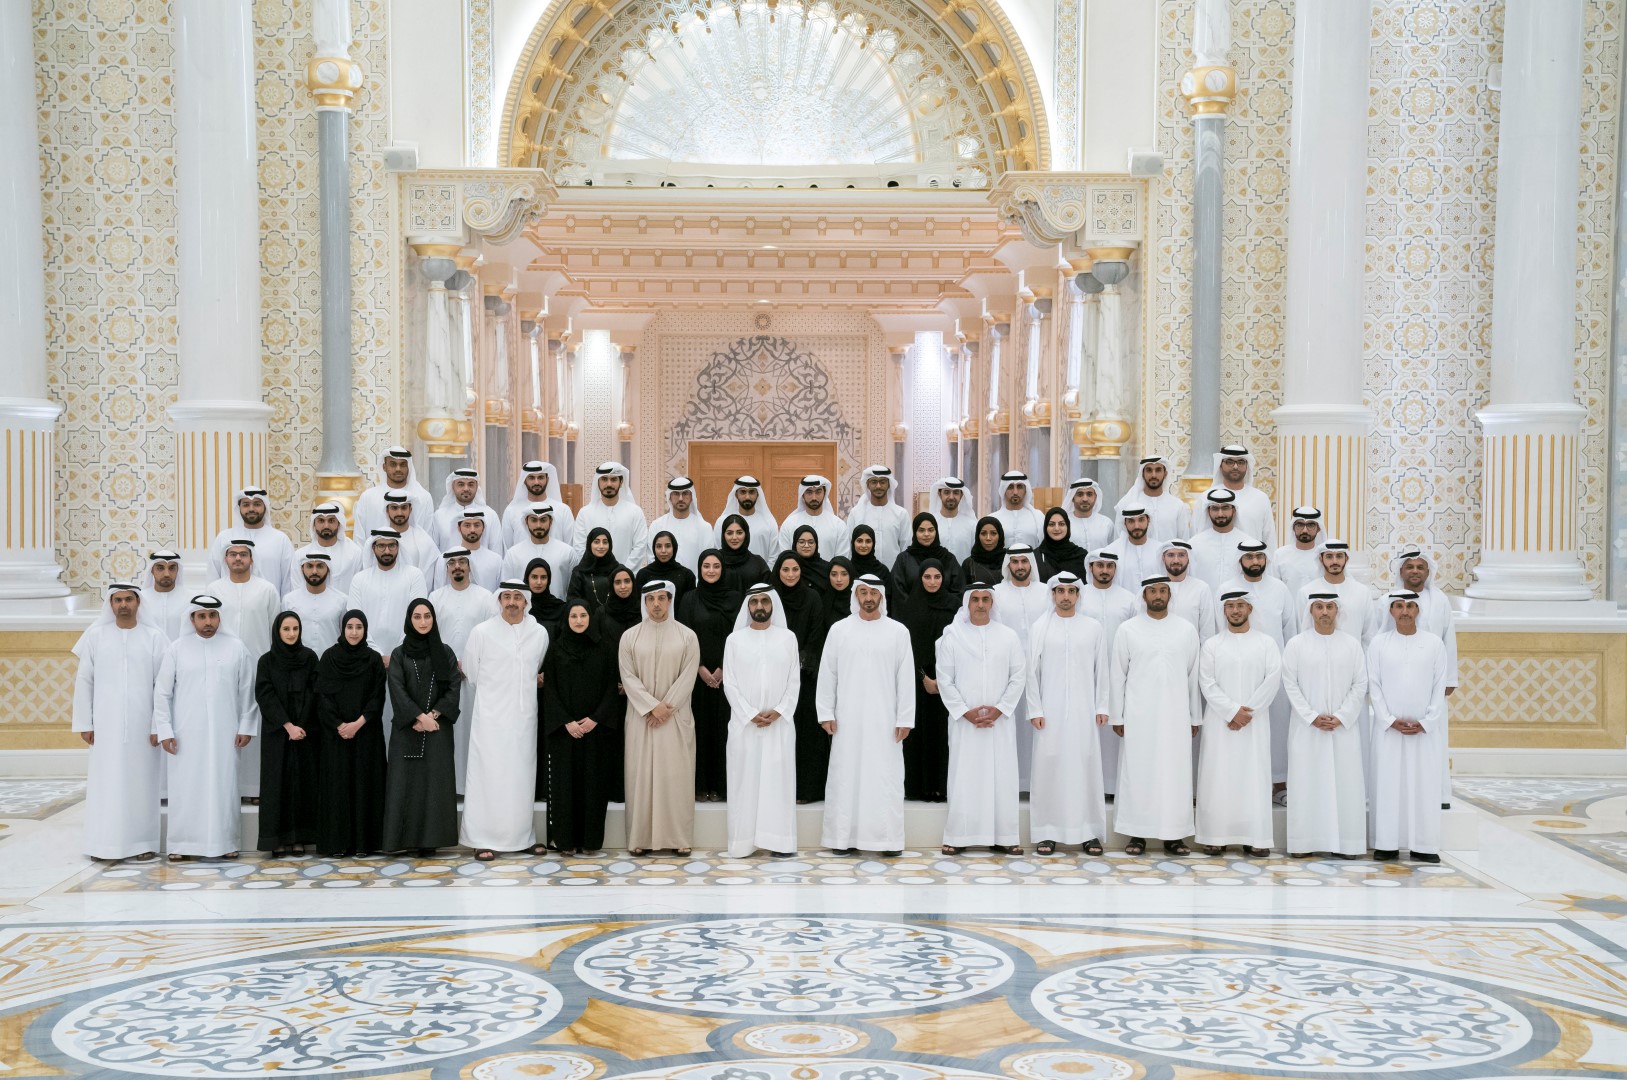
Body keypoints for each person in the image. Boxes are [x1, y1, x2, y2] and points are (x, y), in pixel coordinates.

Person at [153, 596, 259, 860]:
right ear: (192, 619)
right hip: (185, 735)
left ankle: (226, 843)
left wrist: (246, 725)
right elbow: (162, 693)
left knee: (223, 786)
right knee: (186, 787)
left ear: (220, 618)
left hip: (226, 733)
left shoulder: (236, 647)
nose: (208, 621)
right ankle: (181, 844)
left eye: (212, 616)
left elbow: (247, 690)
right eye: (201, 616)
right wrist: (165, 730)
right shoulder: (176, 649)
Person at [817, 575, 915, 856]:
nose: (868, 597)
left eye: (873, 592)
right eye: (863, 592)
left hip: (886, 721)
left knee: (886, 777)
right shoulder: (839, 630)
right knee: (846, 776)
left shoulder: (898, 632)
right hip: (847, 719)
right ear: (856, 596)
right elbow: (828, 674)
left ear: (882, 596)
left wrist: (905, 718)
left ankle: (887, 841)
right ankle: (841, 838)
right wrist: (825, 712)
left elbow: (906, 679)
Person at [73, 582, 169, 861]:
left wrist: (157, 726)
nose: (123, 605)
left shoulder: (154, 637)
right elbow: (84, 680)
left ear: (138, 603)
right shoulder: (95, 636)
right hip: (105, 726)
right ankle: (103, 845)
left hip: (144, 728)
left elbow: (162, 686)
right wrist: (85, 723)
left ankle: (142, 844)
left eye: (129, 599)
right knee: (107, 783)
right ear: (110, 604)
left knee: (142, 785)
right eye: (118, 600)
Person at [1110, 577, 1202, 857]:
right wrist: (1118, 715)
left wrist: (1194, 717)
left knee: (1175, 775)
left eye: (1163, 591)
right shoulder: (1128, 630)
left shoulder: (1186, 629)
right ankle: (1137, 834)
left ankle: (1174, 836)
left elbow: (1193, 675)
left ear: (1169, 595)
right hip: (1139, 715)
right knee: (1138, 772)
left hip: (1176, 716)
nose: (1158, 595)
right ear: (1144, 595)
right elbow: (1118, 674)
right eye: (1153, 591)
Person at [460, 581, 551, 860]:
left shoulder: (539, 633)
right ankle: (481, 838)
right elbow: (472, 674)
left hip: (523, 719)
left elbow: (536, 668)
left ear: (526, 601)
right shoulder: (482, 632)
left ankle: (520, 838)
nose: (512, 602)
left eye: (517, 597)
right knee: (488, 776)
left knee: (520, 778)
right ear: (500, 600)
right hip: (489, 718)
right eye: (507, 597)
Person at [936, 583, 1026, 856]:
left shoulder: (1008, 636)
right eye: (975, 599)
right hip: (965, 723)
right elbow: (945, 679)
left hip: (999, 722)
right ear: (967, 603)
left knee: (1002, 777)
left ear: (992, 603)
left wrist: (1000, 709)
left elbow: (1018, 676)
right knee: (964, 777)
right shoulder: (952, 637)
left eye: (986, 599)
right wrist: (965, 712)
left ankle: (1005, 836)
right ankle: (958, 836)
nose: (980, 604)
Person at [1026, 572, 1111, 856]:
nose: (1065, 596)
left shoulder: (1093, 627)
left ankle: (1088, 832)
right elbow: (1031, 674)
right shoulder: (1039, 627)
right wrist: (1035, 709)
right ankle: (1047, 832)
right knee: (1048, 768)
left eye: (1071, 591)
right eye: (1060, 591)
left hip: (1084, 712)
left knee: (1085, 767)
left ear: (1078, 595)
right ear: (1052, 595)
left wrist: (1101, 706)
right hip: (1048, 713)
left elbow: (1103, 670)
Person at [1194, 591, 1283, 857]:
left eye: (1240, 606)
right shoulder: (1212, 645)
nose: (1235, 610)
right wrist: (1232, 711)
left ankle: (1255, 837)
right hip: (1220, 723)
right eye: (1230, 606)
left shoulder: (1266, 643)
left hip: (1254, 723)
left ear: (1249, 609)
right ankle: (1215, 836)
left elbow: (1272, 679)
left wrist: (1247, 713)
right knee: (1218, 776)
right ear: (1224, 611)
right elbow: (1206, 682)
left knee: (1253, 777)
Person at [1281, 593, 1369, 859]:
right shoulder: (1296, 644)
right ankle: (1303, 843)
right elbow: (1290, 684)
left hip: (1343, 729)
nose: (1324, 612)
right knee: (1307, 783)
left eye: (1330, 607)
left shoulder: (1351, 645)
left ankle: (1347, 844)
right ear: (1311, 611)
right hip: (1307, 729)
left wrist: (1342, 716)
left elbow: (1360, 683)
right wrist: (1311, 716)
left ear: (1337, 611)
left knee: (1345, 784)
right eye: (1319, 607)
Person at [619, 580, 703, 855]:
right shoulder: (629, 637)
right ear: (644, 603)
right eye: (651, 599)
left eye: (662, 598)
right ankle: (639, 840)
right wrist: (651, 707)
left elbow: (689, 675)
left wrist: (665, 708)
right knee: (640, 778)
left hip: (674, 719)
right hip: (642, 720)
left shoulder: (687, 636)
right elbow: (628, 677)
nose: (656, 603)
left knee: (675, 778)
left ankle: (679, 839)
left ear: (670, 601)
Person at [1367, 591, 1449, 863]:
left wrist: (1427, 722)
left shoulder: (1434, 644)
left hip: (1423, 732)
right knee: (1387, 785)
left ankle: (1424, 845)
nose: (1404, 611)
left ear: (1418, 611)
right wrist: (1388, 719)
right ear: (1390, 612)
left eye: (1410, 606)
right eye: (1399, 606)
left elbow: (1439, 688)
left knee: (1423, 786)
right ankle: (1386, 844)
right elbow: (1373, 685)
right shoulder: (1378, 644)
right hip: (1388, 730)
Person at [722, 583, 802, 858]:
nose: (759, 606)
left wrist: (779, 710)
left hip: (779, 725)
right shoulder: (734, 640)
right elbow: (729, 683)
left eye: (764, 601)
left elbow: (794, 681)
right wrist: (748, 713)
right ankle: (743, 843)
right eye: (754, 601)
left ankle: (779, 841)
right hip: (745, 726)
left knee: (777, 783)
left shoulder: (788, 638)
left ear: (773, 605)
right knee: (744, 782)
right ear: (747, 606)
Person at [383, 599, 462, 856]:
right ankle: (402, 840)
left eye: (427, 616)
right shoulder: (399, 653)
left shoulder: (446, 652)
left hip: (438, 730)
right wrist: (418, 717)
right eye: (417, 617)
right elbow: (396, 688)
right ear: (409, 620)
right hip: (408, 729)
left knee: (434, 784)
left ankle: (430, 841)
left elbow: (453, 686)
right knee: (405, 784)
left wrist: (433, 715)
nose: (423, 621)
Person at [543, 601, 621, 855]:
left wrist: (595, 719)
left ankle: (590, 842)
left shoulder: (606, 648)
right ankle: (565, 841)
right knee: (565, 788)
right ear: (566, 619)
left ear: (591, 618)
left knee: (593, 786)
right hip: (565, 733)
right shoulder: (555, 650)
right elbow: (550, 690)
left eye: (583, 615)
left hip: (595, 731)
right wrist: (566, 722)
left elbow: (612, 688)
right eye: (574, 616)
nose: (578, 620)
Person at [1221, 541, 1298, 802]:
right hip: (1235, 668)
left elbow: (1290, 630)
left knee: (1277, 725)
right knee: (1239, 725)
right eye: (1249, 557)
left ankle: (1278, 784)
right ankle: (1240, 786)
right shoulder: (1226, 589)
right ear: (1240, 560)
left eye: (1259, 556)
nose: (1254, 562)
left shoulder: (1279, 589)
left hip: (1274, 671)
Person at [208, 537, 281, 800]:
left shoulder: (267, 590)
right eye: (232, 554)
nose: (238, 559)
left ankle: (256, 789)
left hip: (260, 668)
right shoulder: (214, 589)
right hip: (222, 669)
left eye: (243, 554)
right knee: (225, 724)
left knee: (258, 727)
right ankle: (226, 787)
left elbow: (276, 630)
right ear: (225, 559)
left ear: (251, 559)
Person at [313, 610, 387, 857]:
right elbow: (322, 698)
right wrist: (339, 725)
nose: (354, 632)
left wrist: (358, 723)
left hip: (366, 735)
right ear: (342, 629)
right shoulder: (329, 658)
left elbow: (378, 697)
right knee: (338, 788)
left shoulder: (373, 659)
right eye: (350, 627)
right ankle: (338, 843)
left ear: (365, 630)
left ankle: (364, 843)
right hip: (336, 737)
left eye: (359, 627)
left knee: (364, 786)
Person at [1393, 548, 1461, 804]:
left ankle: (1437, 793)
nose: (1415, 571)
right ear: (1401, 571)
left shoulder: (1440, 600)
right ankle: (1400, 793)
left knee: (1433, 735)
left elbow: (1448, 638)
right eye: (1410, 567)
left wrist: (1450, 679)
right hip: (1398, 679)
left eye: (1420, 567)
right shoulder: (1390, 600)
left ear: (1427, 572)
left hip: (1432, 682)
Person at [427, 549, 496, 793]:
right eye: (452, 562)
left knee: (473, 731)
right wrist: (448, 663)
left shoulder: (486, 597)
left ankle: (473, 787)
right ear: (446, 568)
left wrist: (470, 661)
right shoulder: (435, 597)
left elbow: (494, 635)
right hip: (442, 679)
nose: (457, 566)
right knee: (447, 732)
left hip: (476, 679)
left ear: (469, 566)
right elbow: (429, 635)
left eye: (462, 562)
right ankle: (447, 786)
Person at [255, 611, 321, 858]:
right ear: (277, 632)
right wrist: (287, 725)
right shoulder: (267, 661)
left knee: (303, 785)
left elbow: (315, 692)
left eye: (295, 629)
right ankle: (277, 839)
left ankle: (299, 839)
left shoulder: (310, 658)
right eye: (286, 629)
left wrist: (300, 725)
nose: (291, 634)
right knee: (277, 785)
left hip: (305, 733)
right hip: (277, 734)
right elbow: (265, 695)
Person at [677, 551, 740, 802]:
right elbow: (684, 636)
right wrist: (700, 668)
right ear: (699, 569)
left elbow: (740, 636)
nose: (711, 570)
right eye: (706, 566)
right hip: (697, 679)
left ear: (723, 569)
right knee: (700, 731)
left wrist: (725, 668)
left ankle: (723, 787)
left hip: (730, 678)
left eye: (716, 566)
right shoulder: (690, 599)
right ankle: (701, 785)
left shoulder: (736, 599)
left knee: (726, 731)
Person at [1077, 551, 1139, 802]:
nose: (1104, 570)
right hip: (1084, 674)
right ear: (1091, 567)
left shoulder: (1128, 598)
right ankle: (1089, 787)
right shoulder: (1078, 594)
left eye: (1109, 566)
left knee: (1116, 730)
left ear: (1115, 569)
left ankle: (1115, 787)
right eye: (1099, 565)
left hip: (1120, 673)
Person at [896, 560, 959, 803]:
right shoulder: (909, 607)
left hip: (949, 680)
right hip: (918, 680)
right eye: (927, 577)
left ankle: (942, 787)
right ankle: (918, 787)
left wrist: (943, 679)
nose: (932, 582)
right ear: (920, 578)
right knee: (920, 732)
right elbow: (906, 649)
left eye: (937, 577)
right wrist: (924, 678)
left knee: (944, 735)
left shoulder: (954, 606)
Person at [772, 550, 829, 803]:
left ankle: (806, 790)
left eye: (795, 570)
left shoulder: (813, 597)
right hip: (775, 678)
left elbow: (817, 634)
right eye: (785, 570)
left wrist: (799, 662)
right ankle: (780, 789)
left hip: (806, 676)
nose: (791, 574)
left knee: (805, 733)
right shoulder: (770, 599)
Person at [992, 544, 1049, 789]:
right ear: (1007, 565)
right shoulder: (996, 592)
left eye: (1024, 562)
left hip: (1043, 669)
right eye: (1014, 562)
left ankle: (1037, 782)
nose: (1020, 567)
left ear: (1032, 565)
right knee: (1010, 726)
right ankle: (1012, 783)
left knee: (1038, 725)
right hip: (1006, 670)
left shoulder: (1046, 591)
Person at [347, 531, 430, 675]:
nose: (387, 550)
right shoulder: (359, 579)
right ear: (373, 548)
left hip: (407, 656)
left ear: (398, 547)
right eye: (381, 546)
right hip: (367, 656)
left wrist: (396, 654)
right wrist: (377, 654)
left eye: (391, 545)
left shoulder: (414, 575)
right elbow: (355, 621)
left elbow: (417, 619)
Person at [207, 487, 295, 591]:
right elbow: (213, 577)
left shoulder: (280, 539)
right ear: (239, 508)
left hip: (269, 605)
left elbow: (288, 581)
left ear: (265, 507)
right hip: (229, 605)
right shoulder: (224, 537)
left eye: (257, 504)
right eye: (246, 504)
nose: (251, 509)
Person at [1293, 540, 1376, 642]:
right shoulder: (1306, 592)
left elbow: (1369, 635)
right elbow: (1302, 632)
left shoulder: (1362, 592)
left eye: (1339, 556)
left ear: (1346, 558)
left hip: (1353, 656)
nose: (1335, 561)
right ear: (1320, 559)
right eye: (1329, 556)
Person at [573, 461, 650, 568]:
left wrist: (623, 573)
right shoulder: (585, 513)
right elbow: (579, 548)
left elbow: (640, 547)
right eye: (604, 479)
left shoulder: (635, 512)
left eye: (613, 479)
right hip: (593, 578)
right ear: (598, 482)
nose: (609, 484)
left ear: (621, 482)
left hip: (625, 580)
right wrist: (596, 573)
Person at [1188, 488, 1265, 592]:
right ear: (1208, 511)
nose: (1220, 514)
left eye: (1225, 508)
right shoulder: (1194, 544)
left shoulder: (1246, 543)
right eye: (1215, 508)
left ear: (1233, 510)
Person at [1196, 444, 1276, 544]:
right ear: (1220, 465)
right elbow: (1196, 534)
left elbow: (1269, 537)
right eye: (1229, 462)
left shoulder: (1260, 498)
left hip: (1252, 557)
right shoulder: (1206, 497)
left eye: (1240, 462)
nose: (1235, 466)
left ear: (1247, 466)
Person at [354, 446, 435, 541]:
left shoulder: (423, 497)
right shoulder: (368, 497)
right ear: (384, 467)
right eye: (393, 464)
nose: (398, 469)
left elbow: (428, 537)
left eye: (403, 465)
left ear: (408, 467)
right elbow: (359, 538)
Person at [501, 503, 575, 595]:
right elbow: (506, 591)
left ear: (550, 522)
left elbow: (573, 591)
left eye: (543, 520)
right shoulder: (513, 554)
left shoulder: (567, 552)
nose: (538, 525)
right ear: (526, 522)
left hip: (559, 608)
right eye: (534, 520)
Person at [1112, 455, 1190, 542]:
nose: (1153, 475)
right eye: (1149, 470)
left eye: (1158, 470)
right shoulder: (1127, 504)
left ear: (1165, 474)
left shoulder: (1177, 505)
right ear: (1142, 474)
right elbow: (1119, 540)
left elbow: (1183, 540)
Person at [501, 460, 575, 552]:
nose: (536, 482)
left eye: (540, 477)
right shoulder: (511, 511)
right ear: (524, 481)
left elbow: (570, 547)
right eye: (531, 478)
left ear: (547, 480)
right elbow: (507, 548)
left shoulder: (563, 510)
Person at [845, 465, 911, 566]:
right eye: (874, 482)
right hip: (862, 574)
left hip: (892, 574)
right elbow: (849, 545)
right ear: (867, 485)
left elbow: (906, 547)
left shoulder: (901, 514)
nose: (878, 486)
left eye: (883, 482)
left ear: (889, 484)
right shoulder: (856, 513)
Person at [282, 549, 348, 650]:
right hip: (300, 663)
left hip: (332, 663)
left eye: (320, 566)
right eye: (309, 566)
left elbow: (346, 635)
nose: (314, 571)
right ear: (302, 569)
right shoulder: (289, 600)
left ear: (328, 569)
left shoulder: (341, 600)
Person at [646, 477, 711, 575]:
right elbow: (652, 557)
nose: (681, 498)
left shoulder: (704, 527)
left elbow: (708, 559)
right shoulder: (657, 525)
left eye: (685, 493)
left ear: (692, 496)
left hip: (695, 585)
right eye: (676, 493)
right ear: (669, 497)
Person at [893, 512, 964, 601]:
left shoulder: (948, 558)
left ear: (936, 532)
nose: (926, 534)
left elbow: (958, 590)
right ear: (915, 532)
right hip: (912, 613)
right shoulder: (904, 559)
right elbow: (898, 592)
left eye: (930, 530)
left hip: (945, 612)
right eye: (921, 530)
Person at [431, 467, 503, 552]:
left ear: (477, 487)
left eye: (470, 484)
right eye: (461, 484)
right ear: (453, 487)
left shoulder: (490, 515)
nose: (466, 488)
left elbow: (496, 552)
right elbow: (434, 552)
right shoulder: (439, 516)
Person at [713, 475, 779, 564]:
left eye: (751, 492)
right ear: (736, 494)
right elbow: (718, 553)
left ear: (757, 494)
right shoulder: (722, 521)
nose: (747, 497)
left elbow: (773, 557)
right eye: (743, 492)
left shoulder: (769, 522)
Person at [1161, 541, 1219, 642]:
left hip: (1191, 654)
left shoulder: (1201, 588)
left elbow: (1207, 632)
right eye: (1170, 555)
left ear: (1189, 558)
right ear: (1163, 558)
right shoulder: (1154, 589)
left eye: (1181, 555)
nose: (1176, 560)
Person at [777, 474, 847, 557]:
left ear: (824, 494)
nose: (814, 497)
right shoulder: (789, 524)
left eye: (818, 492)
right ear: (803, 495)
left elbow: (842, 560)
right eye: (809, 492)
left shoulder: (838, 525)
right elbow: (785, 558)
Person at [298, 503, 362, 594]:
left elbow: (359, 589)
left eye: (331, 521)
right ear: (314, 525)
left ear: (339, 524)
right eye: (321, 521)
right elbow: (296, 590)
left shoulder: (354, 552)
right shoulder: (301, 555)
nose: (326, 526)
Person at [431, 512, 502, 592]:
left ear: (483, 528)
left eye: (477, 525)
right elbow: (439, 592)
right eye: (467, 525)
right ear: (459, 528)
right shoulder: (445, 558)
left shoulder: (496, 560)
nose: (472, 530)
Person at [374, 492, 441, 576]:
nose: (399, 513)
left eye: (404, 507)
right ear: (387, 510)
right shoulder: (378, 541)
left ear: (410, 509)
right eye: (394, 508)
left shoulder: (423, 540)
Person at [1100, 509, 1163, 590]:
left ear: (1148, 521)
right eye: (1131, 521)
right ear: (1124, 523)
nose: (1136, 526)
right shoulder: (1112, 551)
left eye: (1141, 520)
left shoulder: (1160, 550)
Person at [568, 526, 622, 608]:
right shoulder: (579, 572)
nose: (601, 546)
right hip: (587, 619)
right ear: (589, 544)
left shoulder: (618, 570)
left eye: (605, 542)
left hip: (614, 619)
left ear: (610, 545)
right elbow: (573, 601)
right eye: (596, 542)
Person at [716, 513, 772, 593]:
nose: (734, 537)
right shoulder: (716, 561)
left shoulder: (758, 563)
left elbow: (768, 594)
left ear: (746, 534)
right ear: (723, 535)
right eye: (729, 533)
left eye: (739, 533)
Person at [637, 530, 697, 603]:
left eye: (668, 546)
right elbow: (640, 605)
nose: (663, 550)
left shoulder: (686, 575)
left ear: (674, 548)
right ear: (654, 549)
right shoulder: (643, 575)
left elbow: (690, 606)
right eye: (659, 546)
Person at [1275, 506, 1325, 595]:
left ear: (1318, 529)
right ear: (1293, 527)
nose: (1305, 530)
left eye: (1310, 525)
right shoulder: (1280, 555)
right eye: (1300, 525)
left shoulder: (1324, 556)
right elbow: (1274, 589)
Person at [142, 549, 189, 640]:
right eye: (160, 568)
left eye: (172, 568)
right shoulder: (141, 598)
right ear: (152, 570)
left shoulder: (190, 598)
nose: (167, 574)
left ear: (177, 570)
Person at [991, 470, 1044, 547]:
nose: (1015, 492)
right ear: (1003, 490)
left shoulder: (1038, 517)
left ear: (1026, 490)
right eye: (1010, 487)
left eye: (1019, 487)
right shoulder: (993, 518)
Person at [930, 477, 976, 563]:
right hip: (936, 575)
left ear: (961, 495)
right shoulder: (930, 523)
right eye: (946, 492)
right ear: (940, 494)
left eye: (956, 492)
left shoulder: (972, 525)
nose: (951, 497)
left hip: (964, 575)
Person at [1036, 507, 1089, 581]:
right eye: (1051, 524)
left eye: (1061, 524)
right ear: (1045, 527)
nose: (1057, 528)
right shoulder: (1036, 556)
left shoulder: (1081, 556)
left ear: (1068, 526)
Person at [1065, 477, 1115, 551]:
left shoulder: (1106, 523)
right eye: (1080, 494)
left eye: (1089, 494)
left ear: (1095, 497)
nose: (1085, 499)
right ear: (1072, 498)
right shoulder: (1064, 523)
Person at [524, 557, 570, 638]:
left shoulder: (560, 608)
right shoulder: (520, 607)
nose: (539, 582)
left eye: (543, 577)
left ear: (549, 580)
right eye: (534, 577)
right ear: (527, 578)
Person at [787, 525, 832, 600]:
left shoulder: (827, 568)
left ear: (816, 544)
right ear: (795, 544)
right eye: (801, 542)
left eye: (811, 542)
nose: (806, 546)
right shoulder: (788, 568)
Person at [961, 516, 1007, 586]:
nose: (988, 538)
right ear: (977, 536)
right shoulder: (969, 564)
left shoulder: (1008, 560)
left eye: (993, 533)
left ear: (1000, 536)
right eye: (983, 533)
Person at [825, 556, 855, 624]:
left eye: (844, 574)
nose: (839, 579)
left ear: (851, 575)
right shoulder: (823, 601)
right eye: (834, 574)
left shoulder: (858, 601)